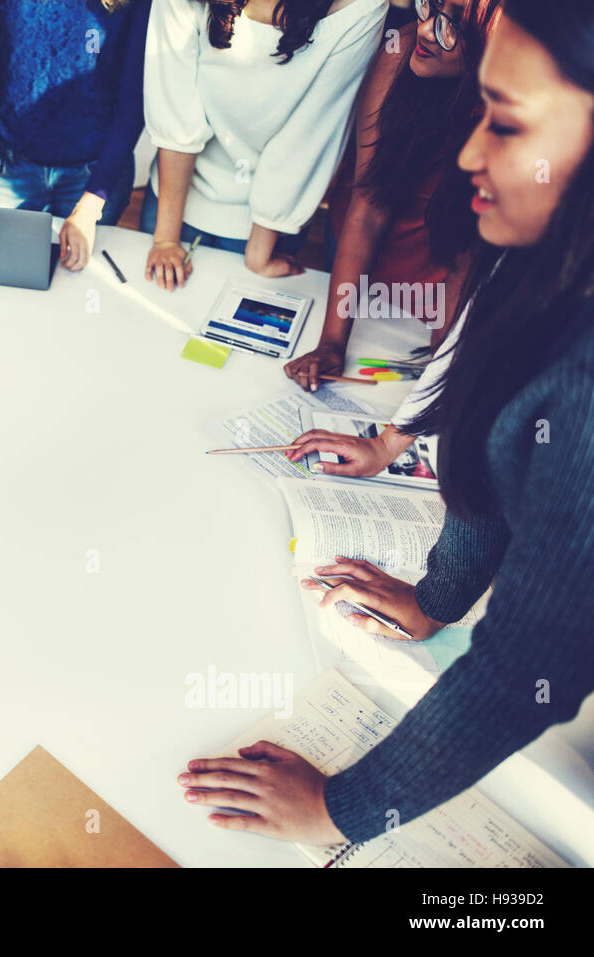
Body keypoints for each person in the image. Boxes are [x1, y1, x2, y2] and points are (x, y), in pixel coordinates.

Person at [177, 0, 594, 846]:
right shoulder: (536, 259)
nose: (470, 152)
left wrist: (339, 811)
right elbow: (484, 451)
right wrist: (437, 597)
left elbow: (527, 668)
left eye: (507, 126)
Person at [283, 0, 499, 399]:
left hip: (438, 266)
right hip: (360, 246)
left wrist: (440, 362)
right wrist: (332, 344)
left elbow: (464, 252)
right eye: (430, 6)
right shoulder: (397, 53)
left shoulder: (500, 115)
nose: (426, 29)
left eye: (451, 27)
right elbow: (366, 208)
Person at [141, 0, 387, 290]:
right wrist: (166, 238)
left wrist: (259, 251)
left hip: (266, 225)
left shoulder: (363, 6)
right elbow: (175, 107)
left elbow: (310, 131)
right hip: (171, 202)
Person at [0, 0, 150, 271]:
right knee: (0, 275)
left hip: (94, 173)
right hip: (10, 165)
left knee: (80, 288)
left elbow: (133, 97)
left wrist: (91, 203)